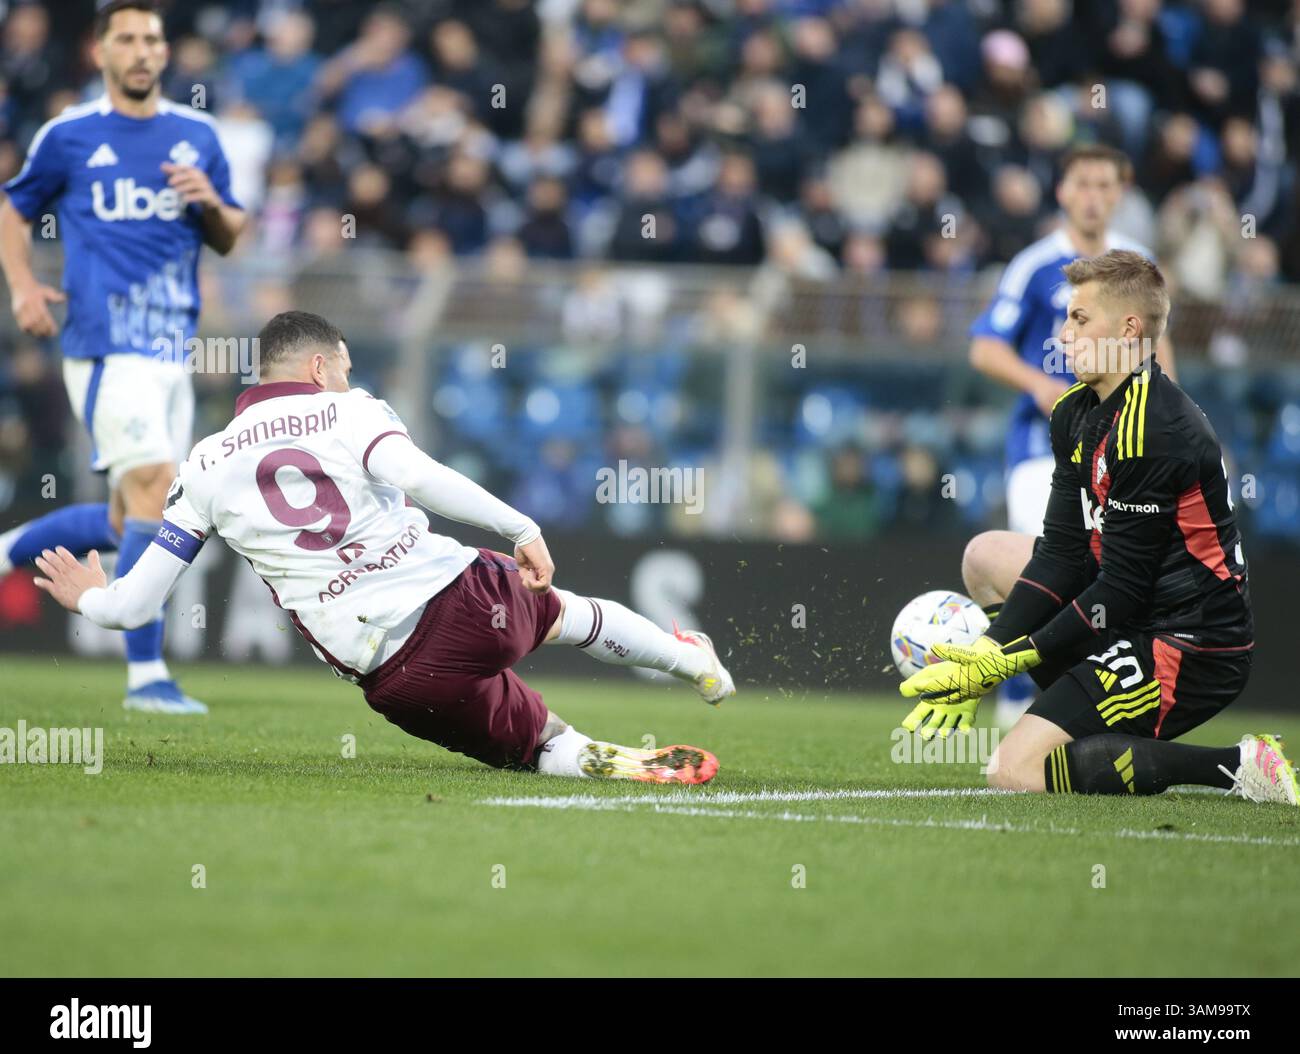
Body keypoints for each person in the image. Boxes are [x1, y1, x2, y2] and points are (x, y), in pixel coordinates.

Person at [32, 311, 733, 784]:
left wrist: (88, 595)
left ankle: (588, 757)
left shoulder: (204, 463)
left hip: (395, 681)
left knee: (535, 741)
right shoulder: (348, 408)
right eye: (340, 366)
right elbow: (422, 479)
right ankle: (690, 661)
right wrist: (521, 528)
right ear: (316, 367)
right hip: (457, 601)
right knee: (566, 615)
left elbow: (131, 607)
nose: (345, 376)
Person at [901, 250, 1296, 805]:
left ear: (1129, 329)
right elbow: (1062, 555)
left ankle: (1238, 764)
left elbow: (1120, 589)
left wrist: (1016, 656)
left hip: (1191, 641)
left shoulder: (1156, 430)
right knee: (986, 555)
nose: (1062, 336)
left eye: (1079, 320)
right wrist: (984, 655)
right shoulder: (1073, 413)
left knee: (1012, 771)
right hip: (1131, 610)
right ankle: (1088, 708)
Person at [0, 0, 247, 713]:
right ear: (101, 52)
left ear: (166, 54)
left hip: (173, 346)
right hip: (107, 345)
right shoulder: (69, 134)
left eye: (153, 40)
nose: (142, 51)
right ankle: (146, 678)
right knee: (157, 489)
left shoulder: (199, 135)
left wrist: (209, 205)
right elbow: (14, 208)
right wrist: (21, 287)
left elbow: (231, 232)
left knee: (124, 521)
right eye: (128, 39)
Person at [967, 144, 1176, 726]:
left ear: (1120, 193)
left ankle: (1087, 695)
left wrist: (1175, 427)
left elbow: (1161, 354)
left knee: (1102, 569)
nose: (1093, 197)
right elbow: (984, 347)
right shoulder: (1035, 264)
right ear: (1061, 191)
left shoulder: (1138, 267)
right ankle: (1016, 696)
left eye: (1105, 185)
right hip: (1044, 448)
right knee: (1044, 561)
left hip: (1121, 446)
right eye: (1082, 183)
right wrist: (1038, 384)